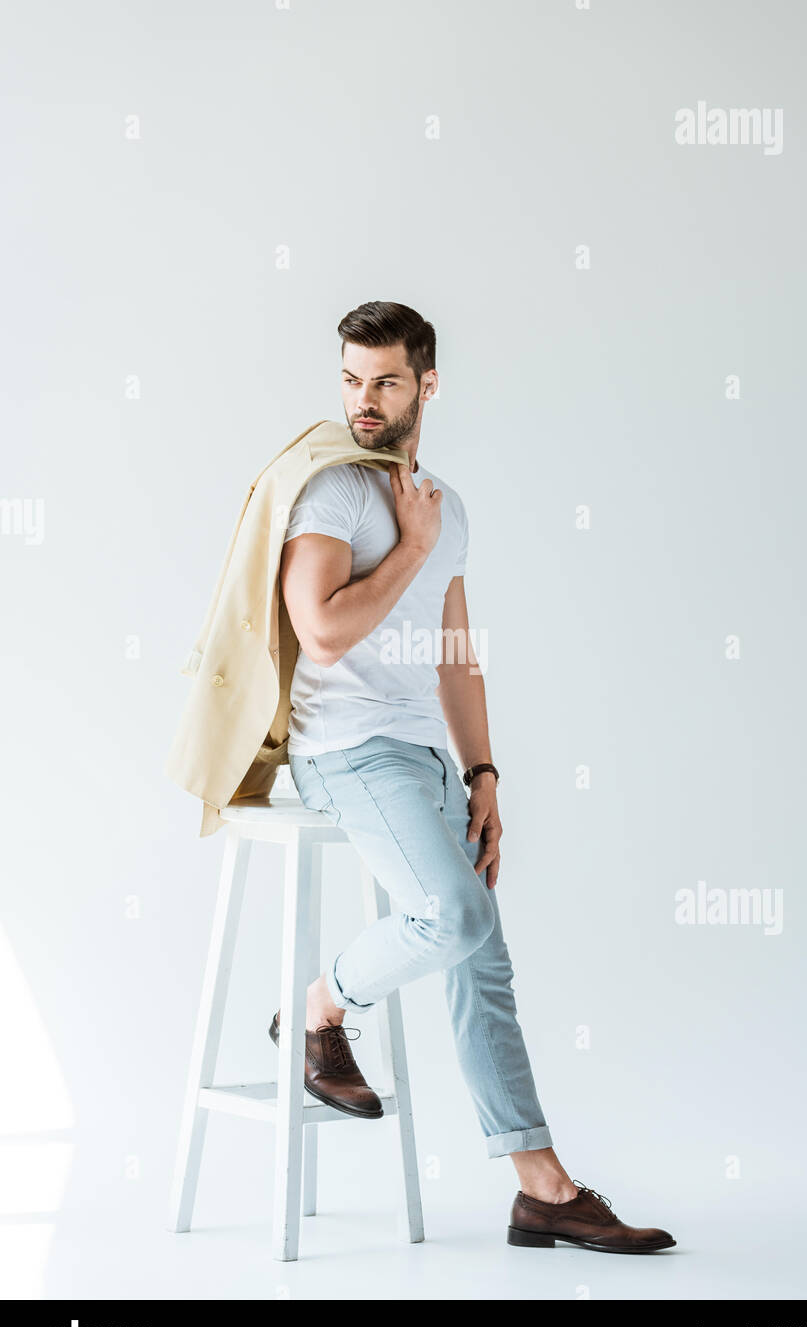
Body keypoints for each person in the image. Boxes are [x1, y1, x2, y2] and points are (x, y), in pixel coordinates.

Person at [269, 301, 675, 1254]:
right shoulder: (333, 494)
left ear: (428, 383)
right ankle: (318, 1009)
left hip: (423, 757)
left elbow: (455, 653)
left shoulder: (444, 504)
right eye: (350, 379)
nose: (364, 401)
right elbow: (320, 630)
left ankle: (543, 1190)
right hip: (346, 752)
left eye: (385, 381)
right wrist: (406, 545)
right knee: (450, 918)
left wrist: (482, 770)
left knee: (480, 960)